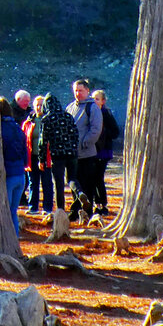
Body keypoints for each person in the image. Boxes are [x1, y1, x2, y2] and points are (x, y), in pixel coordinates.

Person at [36, 92, 77, 217]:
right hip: (72, 154)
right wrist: (74, 149)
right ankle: (79, 196)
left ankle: (61, 211)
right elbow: (76, 134)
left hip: (57, 155)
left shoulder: (47, 119)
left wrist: (41, 159)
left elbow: (43, 141)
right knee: (72, 179)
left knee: (58, 184)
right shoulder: (68, 116)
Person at [66, 78, 103, 220]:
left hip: (87, 154)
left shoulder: (92, 108)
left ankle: (87, 212)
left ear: (87, 91)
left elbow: (95, 129)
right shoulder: (70, 107)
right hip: (72, 154)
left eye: (80, 90)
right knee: (75, 184)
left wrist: (84, 143)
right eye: (75, 90)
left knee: (87, 184)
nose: (78, 93)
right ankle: (76, 210)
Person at [0, 98, 27, 236]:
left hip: (8, 174)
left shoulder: (0, 130)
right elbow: (24, 151)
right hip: (20, 175)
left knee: (5, 211)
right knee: (13, 211)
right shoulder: (17, 128)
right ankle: (14, 239)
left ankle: (5, 238)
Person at [23, 95, 54, 216]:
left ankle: (48, 208)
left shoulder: (49, 120)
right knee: (33, 182)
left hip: (46, 157)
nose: (38, 107)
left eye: (41, 105)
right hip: (32, 157)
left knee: (46, 182)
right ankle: (33, 207)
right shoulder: (29, 121)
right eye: (36, 105)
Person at [92, 89, 120, 216]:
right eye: (93, 99)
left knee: (98, 177)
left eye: (97, 99)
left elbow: (115, 132)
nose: (94, 101)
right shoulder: (91, 112)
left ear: (103, 101)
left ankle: (102, 205)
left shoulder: (106, 114)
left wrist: (103, 133)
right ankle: (94, 204)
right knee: (91, 177)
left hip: (103, 151)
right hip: (92, 150)